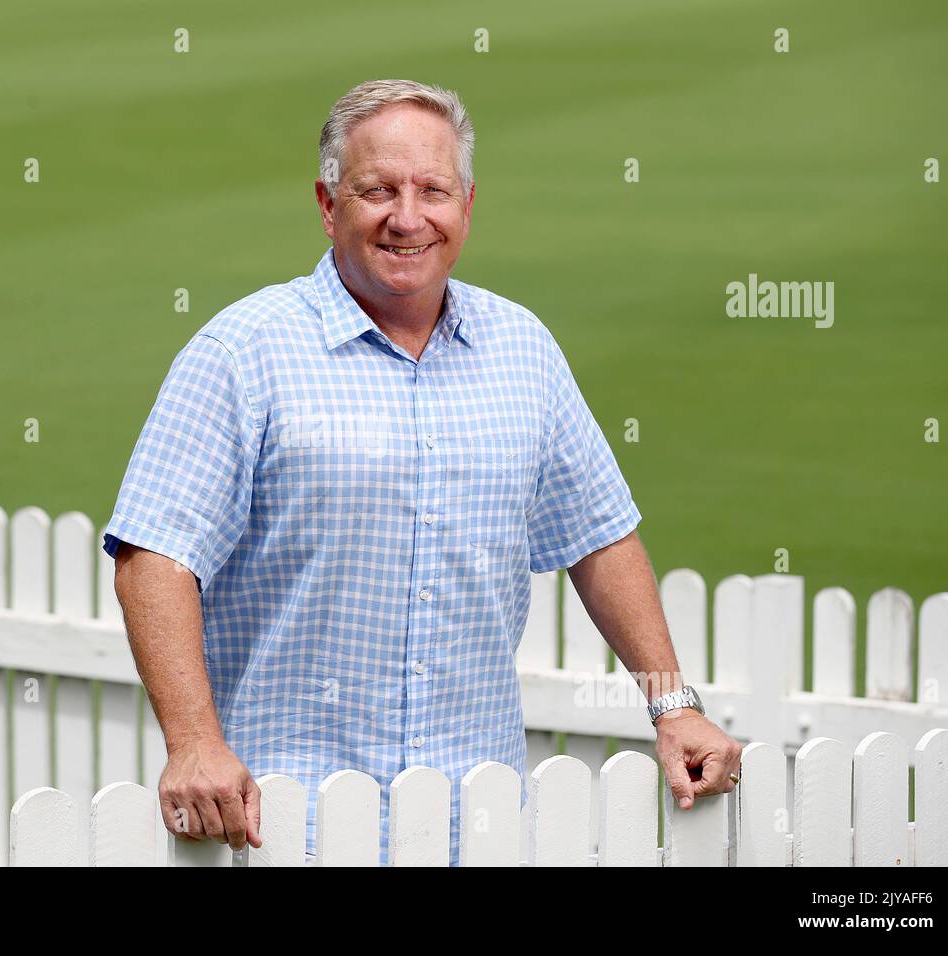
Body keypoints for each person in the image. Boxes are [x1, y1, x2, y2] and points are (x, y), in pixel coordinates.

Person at [104, 78, 741, 866]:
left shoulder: (523, 348)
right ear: (328, 203)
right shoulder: (243, 352)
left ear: (467, 205)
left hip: (476, 821)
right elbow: (153, 558)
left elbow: (599, 537)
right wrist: (195, 742)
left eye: (432, 190)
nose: (409, 218)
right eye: (377, 190)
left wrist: (672, 707)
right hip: (282, 821)